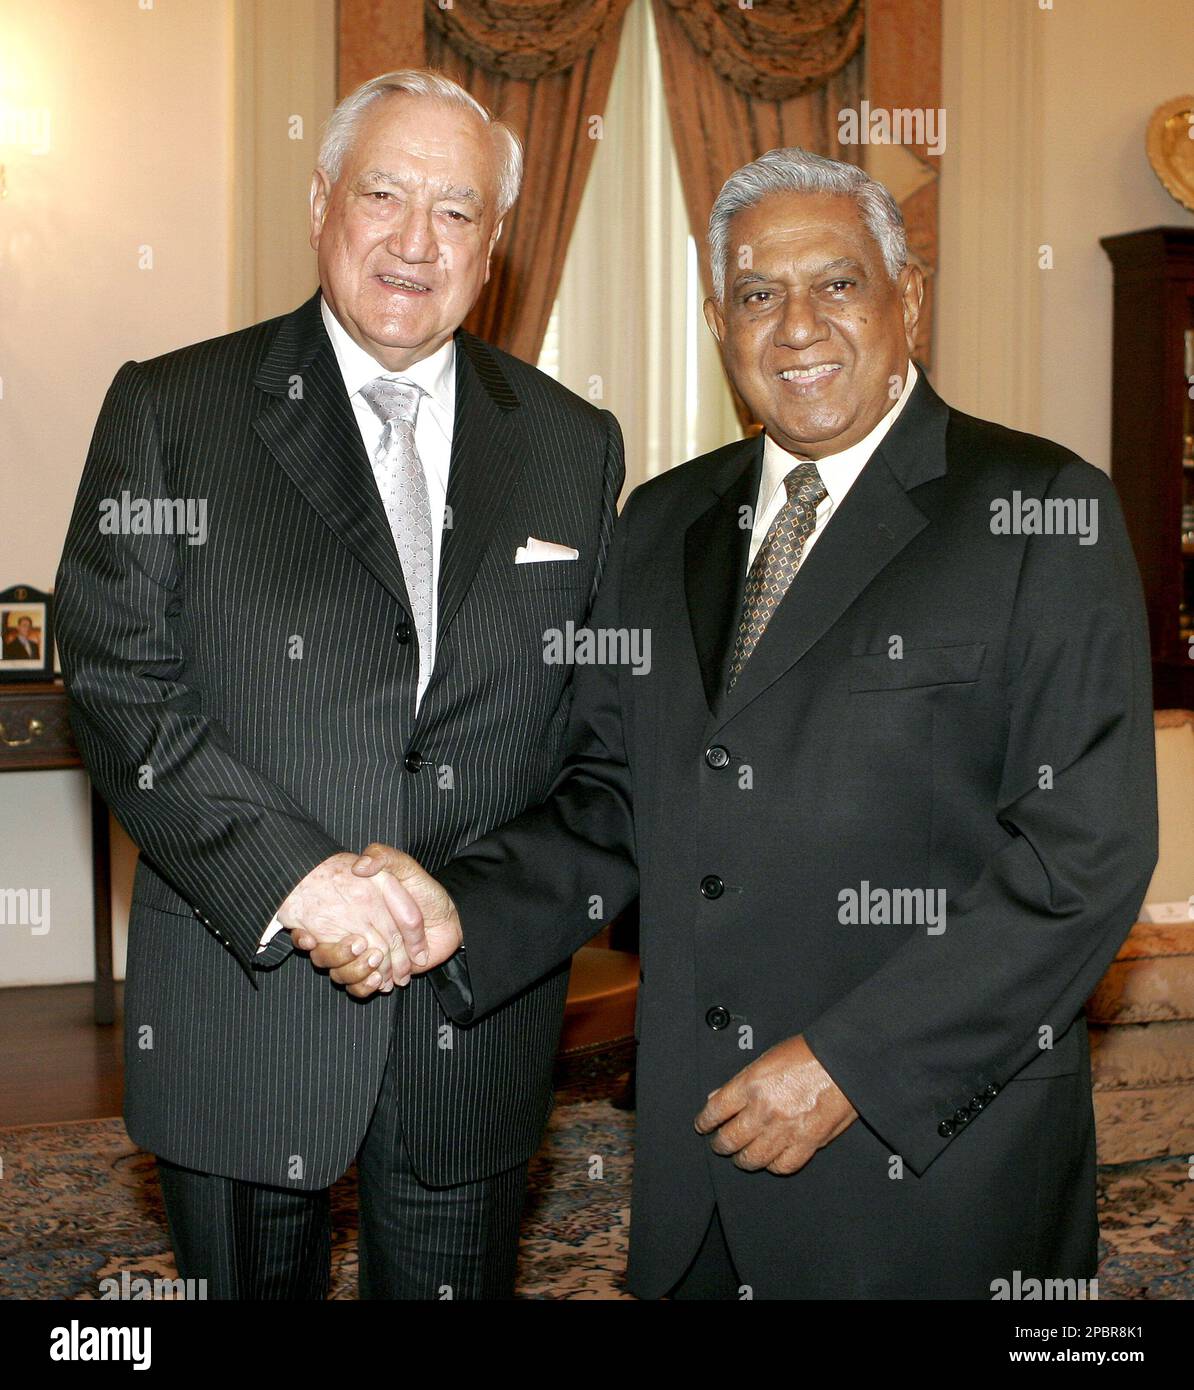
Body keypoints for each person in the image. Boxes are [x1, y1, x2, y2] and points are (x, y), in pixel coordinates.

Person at [309, 148, 1158, 1300]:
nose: (797, 325)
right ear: (719, 320)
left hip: (930, 1176)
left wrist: (854, 1067)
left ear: (909, 295)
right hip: (698, 1173)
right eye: (759, 293)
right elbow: (612, 796)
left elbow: (1084, 855)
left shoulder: (1040, 509)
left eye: (839, 283)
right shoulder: (662, 520)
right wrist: (465, 903)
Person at [55, 69, 623, 1300]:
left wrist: (473, 902)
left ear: (496, 247)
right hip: (244, 997)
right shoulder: (174, 409)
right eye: (385, 193)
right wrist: (300, 882)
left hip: (472, 1018)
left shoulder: (575, 445)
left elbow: (602, 743)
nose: (418, 241)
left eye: (459, 210)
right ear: (320, 203)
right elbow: (114, 680)